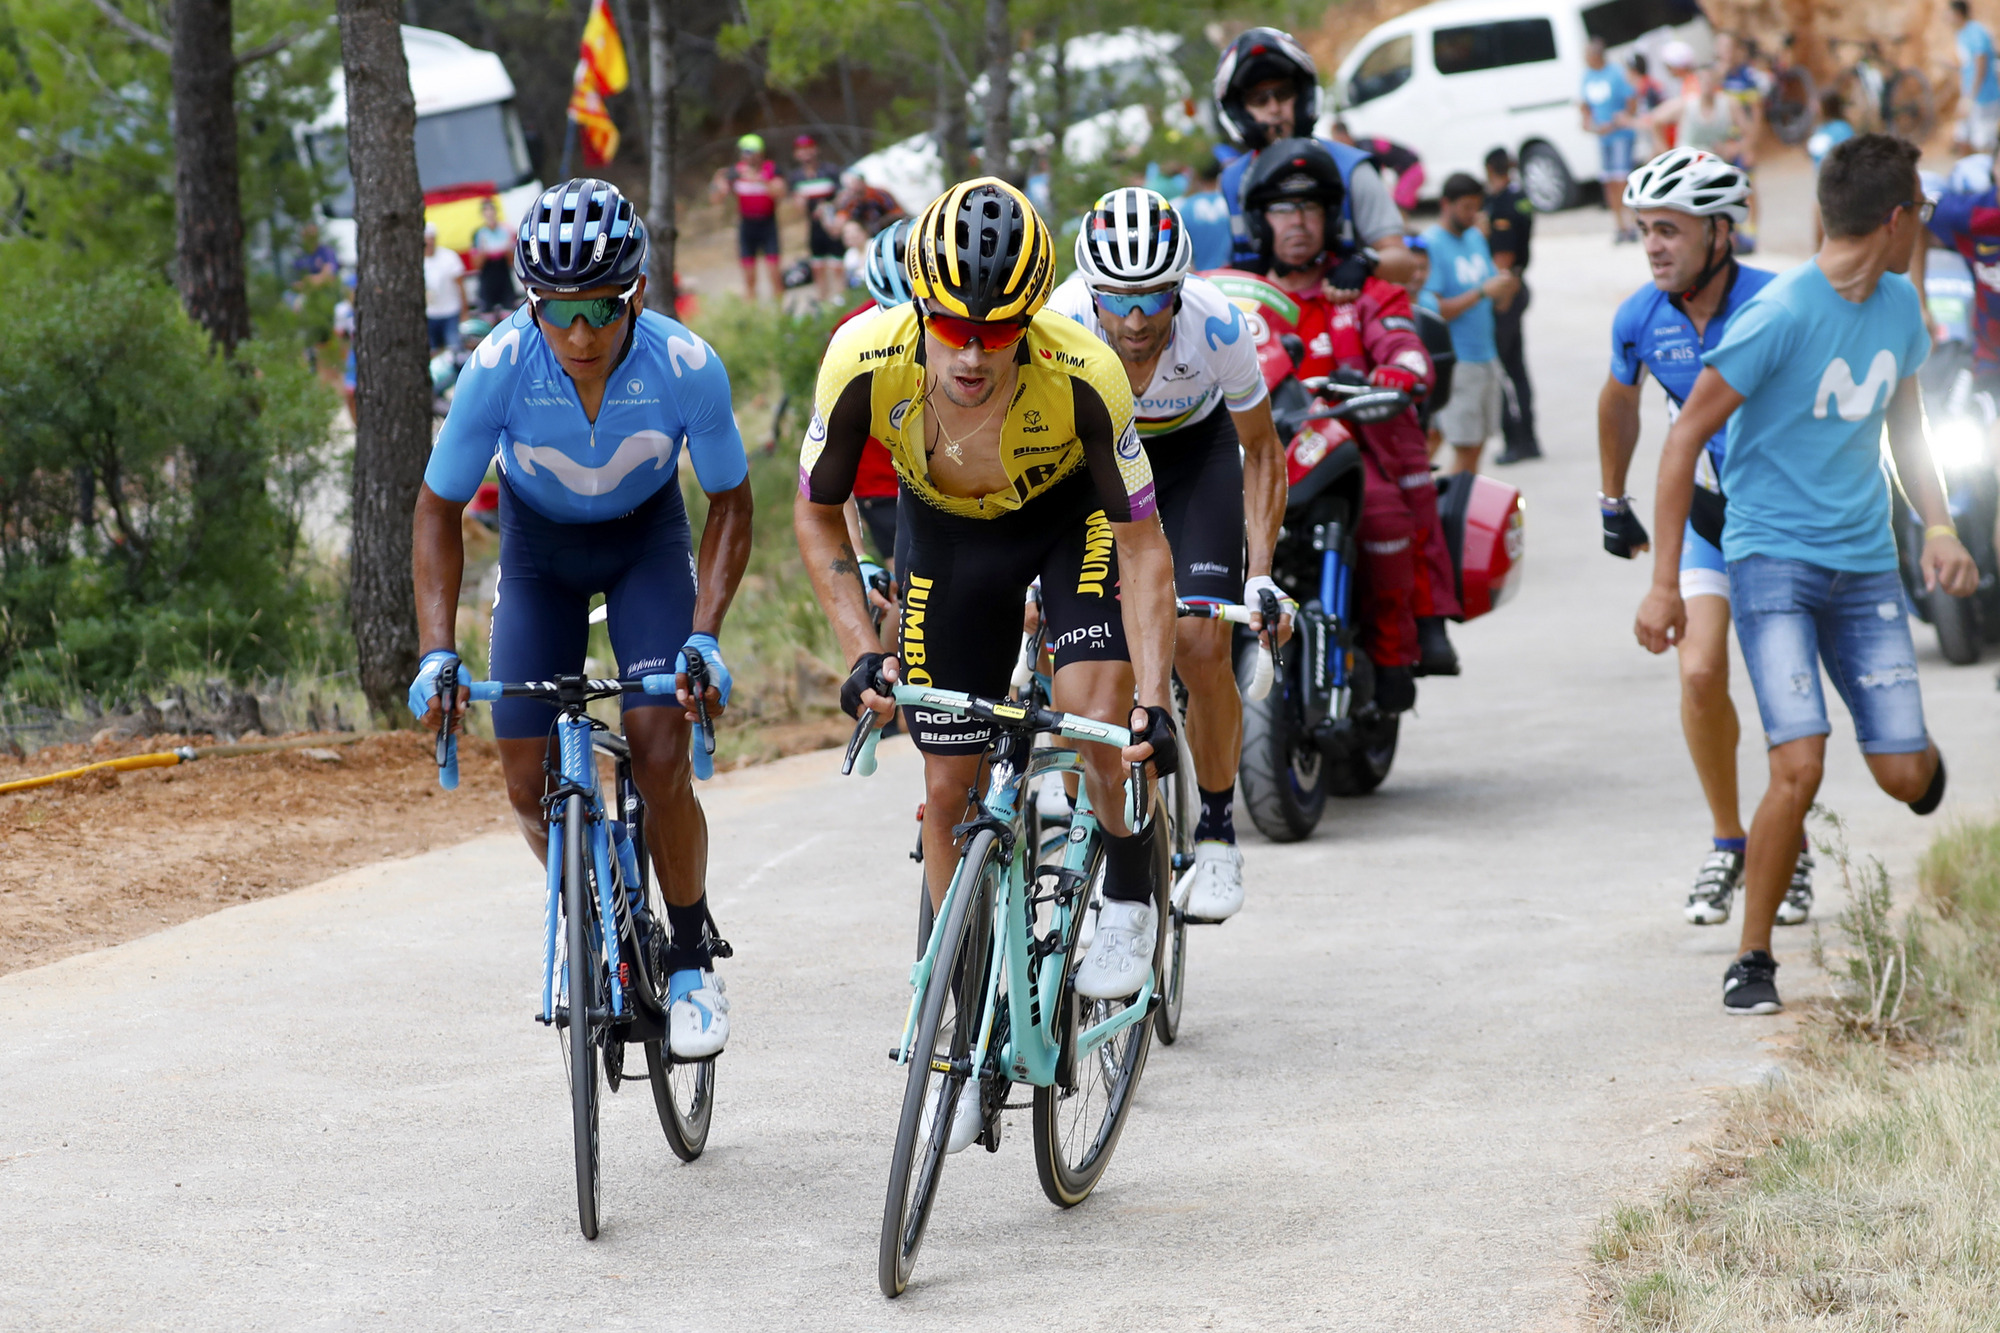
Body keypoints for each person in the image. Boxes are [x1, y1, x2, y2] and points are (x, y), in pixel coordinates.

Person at [796, 181, 1180, 1150]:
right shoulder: (861, 358)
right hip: (949, 542)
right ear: (920, 309)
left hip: (1070, 526)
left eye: (999, 330)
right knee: (945, 788)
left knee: (1096, 723)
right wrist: (860, 655)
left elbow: (1142, 546)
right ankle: (954, 1032)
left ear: (1031, 318)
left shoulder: (1085, 372)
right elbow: (813, 508)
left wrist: (1147, 703)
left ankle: (1130, 879)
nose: (972, 353)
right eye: (954, 327)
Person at [410, 179, 755, 1057]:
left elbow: (731, 503)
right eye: (558, 309)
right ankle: (595, 912)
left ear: (636, 290)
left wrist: (705, 633)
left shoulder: (684, 366)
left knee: (659, 743)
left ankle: (687, 956)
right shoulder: (498, 366)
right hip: (539, 558)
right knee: (524, 782)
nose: (580, 333)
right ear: (532, 301)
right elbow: (434, 510)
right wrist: (435, 651)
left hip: (646, 547)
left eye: (602, 306)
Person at [1634, 135, 1977, 1016]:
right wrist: (1666, 582)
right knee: (1801, 761)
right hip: (1770, 561)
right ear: (1898, 220)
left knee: (1905, 778)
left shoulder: (1901, 308)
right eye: (1923, 217)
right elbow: (1680, 442)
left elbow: (1907, 426)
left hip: (1864, 569)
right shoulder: (1779, 315)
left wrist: (1936, 525)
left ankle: (1910, 757)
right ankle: (1752, 958)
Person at [1048, 187, 1293, 921]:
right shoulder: (1058, 327)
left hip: (1194, 457)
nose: (1133, 319)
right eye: (1116, 298)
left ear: (1181, 286)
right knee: (1085, 668)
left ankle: (1217, 831)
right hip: (1092, 466)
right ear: (1089, 291)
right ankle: (1094, 832)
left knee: (1196, 641)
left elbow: (1260, 452)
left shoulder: (1217, 324)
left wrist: (1258, 574)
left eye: (1154, 297)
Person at [1597, 147, 1812, 929]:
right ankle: (1730, 840)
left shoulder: (1779, 301)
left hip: (1787, 523)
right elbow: (1618, 403)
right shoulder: (1641, 316)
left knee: (1777, 686)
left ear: (1721, 233)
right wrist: (1610, 496)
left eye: (1670, 229)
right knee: (1698, 676)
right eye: (1644, 229)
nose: (1653, 245)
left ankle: (1787, 843)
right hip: (1711, 521)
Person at [1245, 139, 1464, 692]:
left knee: (1386, 512)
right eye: (1282, 209)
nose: (1297, 222)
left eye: (1310, 208)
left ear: (1330, 217)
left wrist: (1391, 375)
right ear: (1259, 220)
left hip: (1348, 460)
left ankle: (1395, 655)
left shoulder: (1365, 292)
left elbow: (1407, 351)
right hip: (1256, 456)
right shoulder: (1236, 294)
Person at [1210, 26, 1418, 289]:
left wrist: (1365, 263)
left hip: (1346, 321)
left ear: (1302, 96)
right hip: (1265, 324)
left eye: (1283, 94)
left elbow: (1404, 264)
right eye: (1259, 100)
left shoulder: (1351, 169)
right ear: (1240, 111)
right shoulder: (1231, 181)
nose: (1274, 109)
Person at [1422, 173, 1517, 475]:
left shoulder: (1475, 237)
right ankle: (1450, 513)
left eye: (1476, 207)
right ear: (1445, 204)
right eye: (1465, 207)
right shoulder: (1431, 244)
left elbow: (1495, 296)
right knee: (1464, 447)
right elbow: (1432, 311)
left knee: (1469, 444)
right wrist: (1480, 292)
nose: (1472, 215)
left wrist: (1506, 286)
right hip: (1456, 364)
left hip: (1485, 357)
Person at [1483, 147, 1540, 464]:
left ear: (1491, 170)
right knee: (1518, 369)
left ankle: (1517, 440)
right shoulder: (1522, 196)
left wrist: (1501, 297)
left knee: (1504, 371)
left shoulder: (1503, 204)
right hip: (1519, 284)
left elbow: (1503, 259)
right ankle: (1530, 437)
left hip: (1507, 289)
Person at [711, 133, 786, 301]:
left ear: (760, 153)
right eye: (744, 152)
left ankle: (781, 311)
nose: (747, 156)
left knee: (774, 272)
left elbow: (780, 193)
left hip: (768, 225)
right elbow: (717, 198)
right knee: (749, 276)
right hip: (747, 226)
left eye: (750, 152)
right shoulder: (736, 172)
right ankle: (751, 312)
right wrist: (718, 182)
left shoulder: (771, 169)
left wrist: (759, 180)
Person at [1581, 38, 1640, 243]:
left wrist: (1620, 121)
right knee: (1608, 181)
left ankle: (1632, 223)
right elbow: (1584, 103)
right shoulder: (1588, 76)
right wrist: (1587, 122)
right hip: (1603, 136)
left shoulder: (1615, 73)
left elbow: (1631, 99)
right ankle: (1619, 225)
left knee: (1621, 178)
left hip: (1619, 134)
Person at [788, 134, 843, 302]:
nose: (806, 153)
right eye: (801, 150)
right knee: (817, 266)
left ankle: (841, 298)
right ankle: (823, 300)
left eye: (808, 148)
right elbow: (797, 207)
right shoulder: (796, 178)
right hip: (814, 227)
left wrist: (829, 206)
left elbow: (842, 196)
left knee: (837, 266)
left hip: (832, 224)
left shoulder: (830, 171)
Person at [1330, 121, 1425, 216]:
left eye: (1337, 140)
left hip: (1413, 169)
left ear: (1344, 136)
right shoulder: (1362, 144)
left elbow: (1374, 173)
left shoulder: (1365, 149)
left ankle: (1401, 229)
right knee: (1396, 205)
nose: (1338, 145)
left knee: (1399, 205)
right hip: (1411, 169)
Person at [1954, 0, 2000, 155]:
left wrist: (1971, 96)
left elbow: (1981, 62)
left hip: (1984, 97)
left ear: (1957, 14)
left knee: (1983, 142)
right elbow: (1968, 66)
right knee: (1963, 136)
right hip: (1971, 94)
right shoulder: (1962, 34)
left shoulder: (1976, 32)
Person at [1180, 158, 1235, 271]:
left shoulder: (1184, 207)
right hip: (1230, 276)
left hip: (1201, 278)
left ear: (1197, 175)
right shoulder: (1232, 204)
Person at [422, 222, 467, 351]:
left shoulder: (449, 257)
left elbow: (461, 286)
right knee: (432, 349)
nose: (429, 243)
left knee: (454, 348)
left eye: (431, 239)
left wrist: (464, 312)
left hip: (451, 311)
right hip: (430, 314)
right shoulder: (419, 261)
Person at [470, 197, 518, 314]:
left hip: (504, 277)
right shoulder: (478, 234)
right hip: (487, 279)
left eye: (492, 210)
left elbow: (512, 260)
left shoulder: (505, 231)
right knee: (488, 314)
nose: (490, 213)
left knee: (508, 312)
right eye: (486, 210)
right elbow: (476, 264)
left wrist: (507, 248)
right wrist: (484, 251)